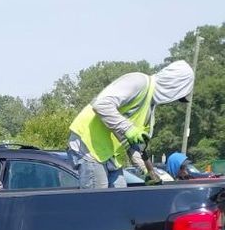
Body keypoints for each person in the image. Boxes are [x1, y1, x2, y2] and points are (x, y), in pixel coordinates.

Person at [67, 60, 194, 189]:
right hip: (89, 145)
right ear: (173, 86)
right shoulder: (139, 82)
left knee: (121, 198)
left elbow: (135, 146)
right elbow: (101, 104)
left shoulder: (149, 107)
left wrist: (148, 171)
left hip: (108, 154)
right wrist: (128, 129)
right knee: (100, 204)